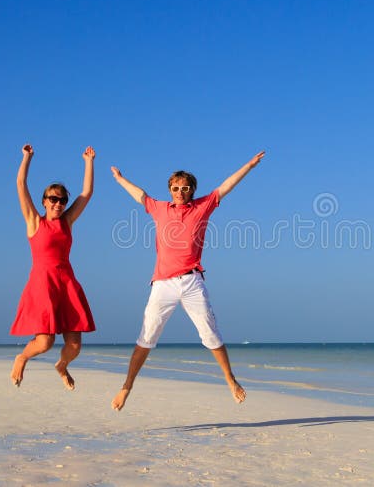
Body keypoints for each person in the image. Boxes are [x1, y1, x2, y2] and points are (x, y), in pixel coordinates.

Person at [110, 151, 265, 411]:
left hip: (192, 281)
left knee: (210, 333)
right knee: (146, 336)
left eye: (184, 188)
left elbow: (226, 186)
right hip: (163, 283)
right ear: (170, 190)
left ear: (192, 190)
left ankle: (230, 379)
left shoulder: (203, 207)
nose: (179, 192)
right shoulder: (159, 209)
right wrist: (120, 179)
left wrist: (248, 165)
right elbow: (141, 195)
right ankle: (126, 387)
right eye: (175, 188)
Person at [10, 144, 97, 390]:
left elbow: (87, 193)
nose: (58, 203)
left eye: (62, 200)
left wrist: (88, 161)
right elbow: (20, 185)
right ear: (45, 201)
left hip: (66, 283)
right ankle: (22, 357)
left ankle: (61, 366)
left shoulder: (68, 222)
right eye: (53, 199)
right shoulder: (34, 221)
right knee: (45, 342)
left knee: (74, 346)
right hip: (42, 284)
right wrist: (27, 158)